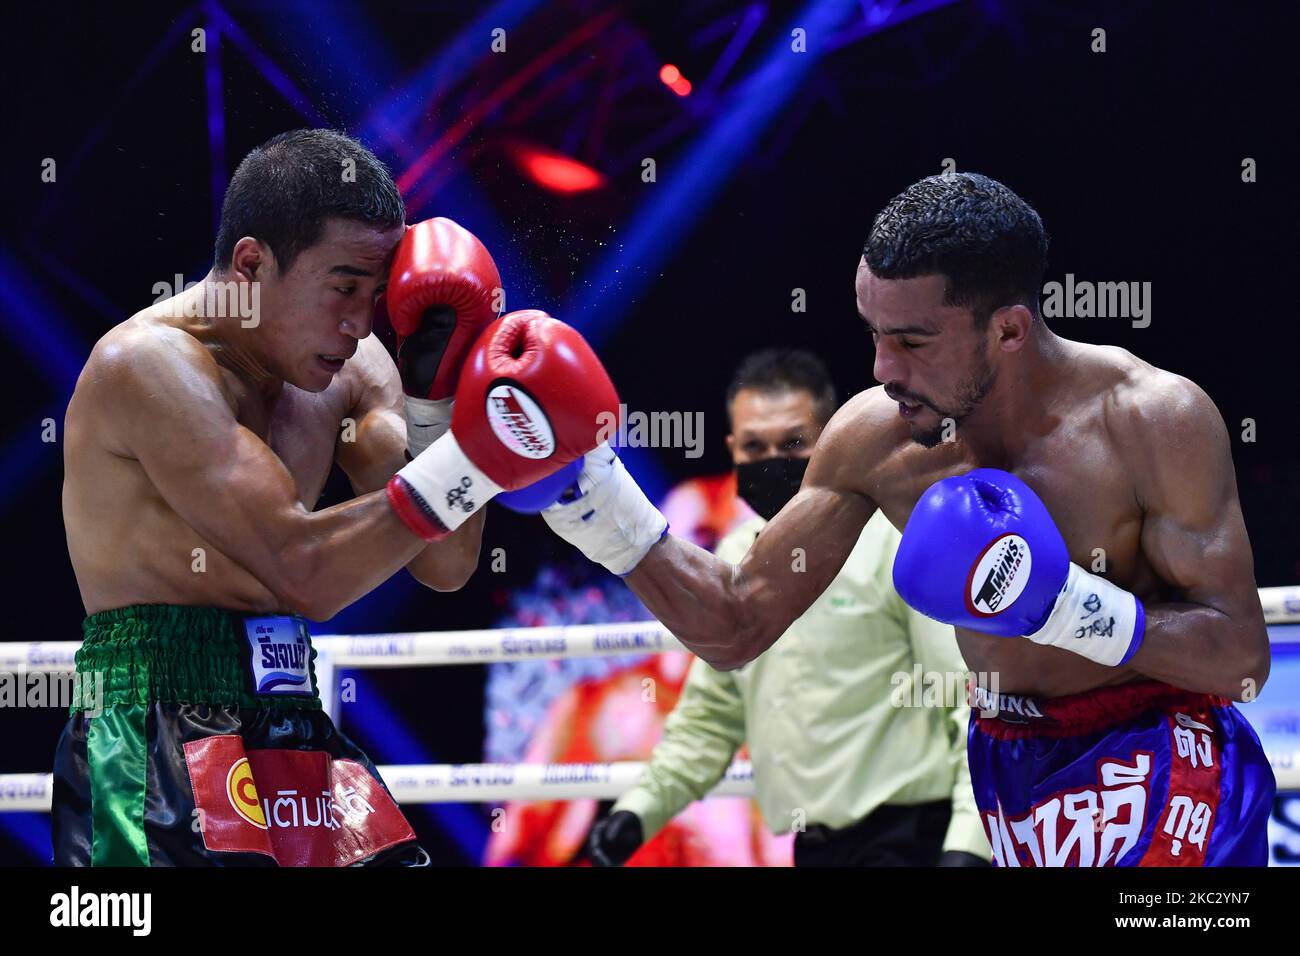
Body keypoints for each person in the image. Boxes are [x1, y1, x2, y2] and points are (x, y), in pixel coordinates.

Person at [542, 173, 1276, 866]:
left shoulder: (1149, 420)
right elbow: (737, 625)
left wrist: (1068, 608)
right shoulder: (878, 440)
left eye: (912, 341)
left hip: (1163, 741)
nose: (882, 369)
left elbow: (1240, 658)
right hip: (1011, 764)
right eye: (873, 333)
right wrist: (592, 496)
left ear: (1010, 331)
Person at [54, 128, 613, 865]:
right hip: (148, 726)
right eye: (344, 287)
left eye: (376, 296)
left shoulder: (353, 369)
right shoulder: (147, 366)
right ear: (252, 263)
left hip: (290, 708)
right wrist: (481, 451)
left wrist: (438, 404)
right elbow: (303, 571)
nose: (359, 324)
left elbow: (445, 562)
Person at [589, 349, 989, 867]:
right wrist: (637, 813)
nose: (773, 460)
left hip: (915, 839)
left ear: (832, 442)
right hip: (812, 851)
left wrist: (969, 845)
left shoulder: (893, 539)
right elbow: (710, 719)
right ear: (732, 449)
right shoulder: (733, 563)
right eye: (755, 446)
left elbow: (970, 700)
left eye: (793, 443)